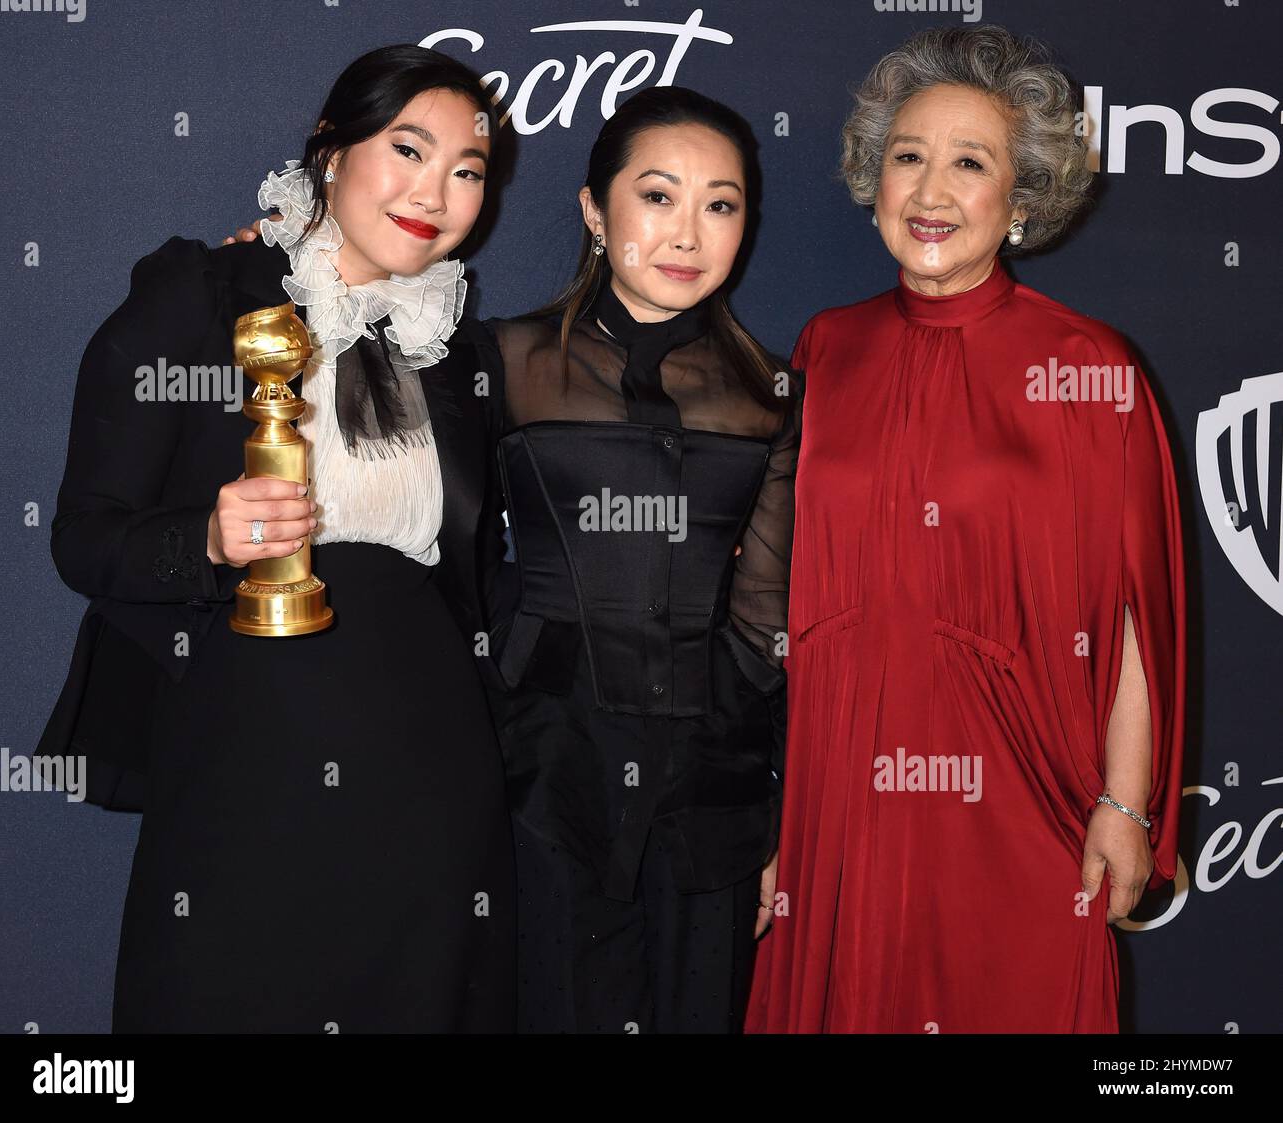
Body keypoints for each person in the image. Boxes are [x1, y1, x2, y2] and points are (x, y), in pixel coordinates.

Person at [38, 45, 515, 1032]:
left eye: (467, 170)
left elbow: (483, 577)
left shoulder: (459, 346)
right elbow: (85, 538)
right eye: (409, 150)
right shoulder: (204, 295)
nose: (437, 191)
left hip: (432, 768)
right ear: (331, 152)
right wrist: (207, 537)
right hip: (246, 754)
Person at [745, 26, 1186, 1033]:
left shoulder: (1089, 367)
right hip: (837, 789)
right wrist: (770, 810)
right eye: (908, 157)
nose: (930, 191)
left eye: (968, 163)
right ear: (873, 178)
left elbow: (1131, 621)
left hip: (1018, 792)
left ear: (1019, 199)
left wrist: (1124, 807)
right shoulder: (826, 346)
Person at [482, 87, 801, 1033]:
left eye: (722, 203)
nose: (688, 233)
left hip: (711, 795)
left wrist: (766, 811)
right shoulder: (501, 359)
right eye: (658, 196)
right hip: (537, 776)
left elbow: (764, 616)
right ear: (594, 209)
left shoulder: (770, 396)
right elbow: (444, 562)